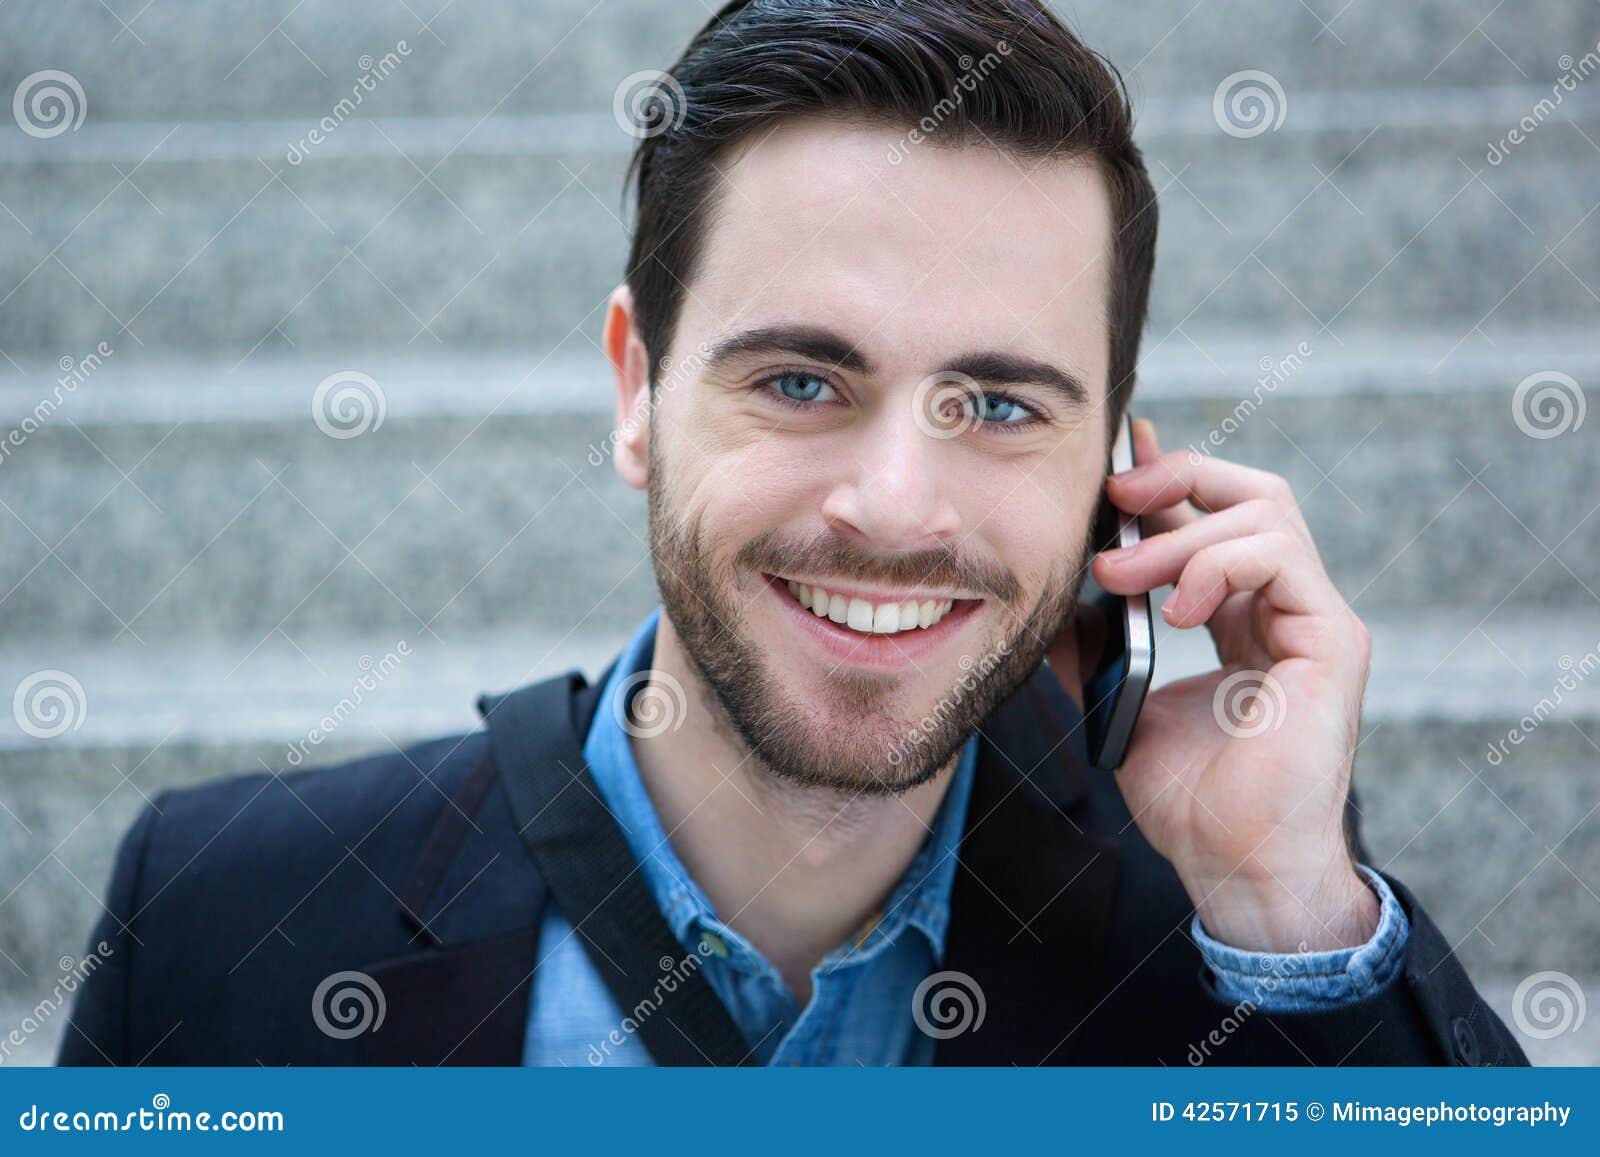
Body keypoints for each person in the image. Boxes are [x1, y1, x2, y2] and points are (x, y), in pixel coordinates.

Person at [59, 0, 1524, 1066]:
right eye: (803, 380)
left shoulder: (1251, 960)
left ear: (1116, 469)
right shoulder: (217, 914)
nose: (892, 505)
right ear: (636, 391)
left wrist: (1284, 900)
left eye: (1001, 404)